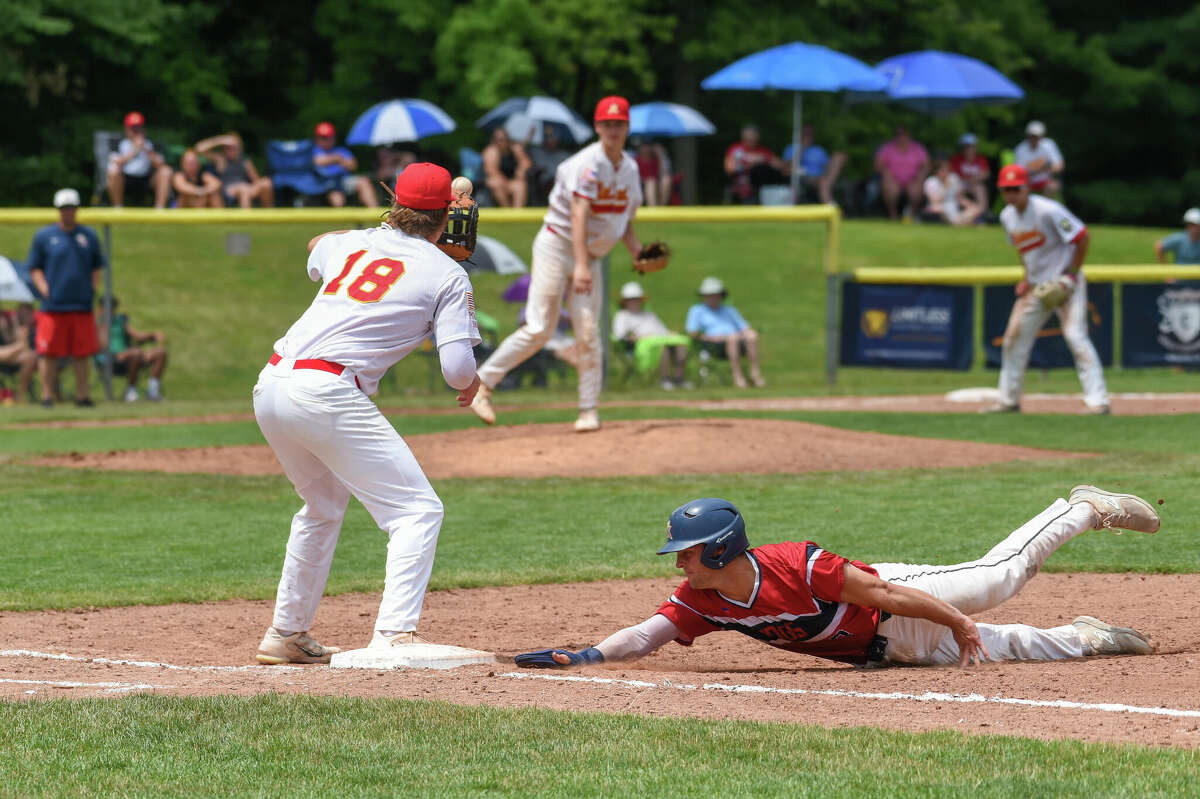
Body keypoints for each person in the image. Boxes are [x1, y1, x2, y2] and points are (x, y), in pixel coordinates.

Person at [514, 486, 1159, 671]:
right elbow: (646, 636)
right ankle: (1088, 638)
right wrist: (588, 655)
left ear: (717, 550)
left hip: (901, 597)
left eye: (685, 552)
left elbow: (880, 594)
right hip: (882, 649)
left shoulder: (797, 563)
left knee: (997, 580)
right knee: (1007, 647)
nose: (676, 562)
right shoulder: (702, 599)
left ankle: (1080, 508)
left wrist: (958, 618)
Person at [253, 163, 482, 665]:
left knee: (322, 506)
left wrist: (363, 235)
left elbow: (316, 244)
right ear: (448, 214)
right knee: (417, 511)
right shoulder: (448, 272)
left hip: (272, 382)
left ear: (393, 202)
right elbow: (457, 370)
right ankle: (395, 634)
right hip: (326, 390)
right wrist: (475, 382)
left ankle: (286, 633)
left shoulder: (353, 242)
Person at [471, 96, 645, 433]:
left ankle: (588, 410)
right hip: (558, 246)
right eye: (607, 123)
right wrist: (580, 265)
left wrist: (636, 251)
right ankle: (482, 385)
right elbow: (579, 213)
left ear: (626, 127)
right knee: (539, 328)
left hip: (588, 255)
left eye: (618, 123)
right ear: (597, 127)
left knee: (589, 331)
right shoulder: (586, 164)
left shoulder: (630, 169)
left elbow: (622, 217)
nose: (612, 129)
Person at [987, 164, 1109, 414]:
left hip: (1065, 282)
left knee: (1076, 337)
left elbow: (1082, 237)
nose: (1011, 195)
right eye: (1006, 190)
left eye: (1015, 189)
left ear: (1026, 188)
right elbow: (1024, 250)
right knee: (1013, 340)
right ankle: (1009, 400)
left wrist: (1072, 275)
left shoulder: (1048, 210)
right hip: (1036, 287)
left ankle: (1098, 402)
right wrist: (1025, 277)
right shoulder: (1007, 217)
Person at [27, 188, 104, 408]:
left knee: (82, 353)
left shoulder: (88, 236)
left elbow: (97, 267)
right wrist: (44, 288)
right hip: (54, 305)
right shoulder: (45, 236)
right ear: (58, 210)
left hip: (81, 304)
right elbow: (34, 267)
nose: (67, 212)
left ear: (77, 209)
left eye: (71, 208)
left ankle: (83, 396)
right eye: (63, 208)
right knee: (48, 353)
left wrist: (92, 289)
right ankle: (47, 396)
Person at [685, 277, 764, 389]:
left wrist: (745, 333)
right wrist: (709, 338)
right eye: (709, 295)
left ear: (721, 295)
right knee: (732, 338)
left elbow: (744, 327)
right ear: (704, 296)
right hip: (713, 345)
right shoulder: (697, 310)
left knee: (752, 335)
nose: (713, 298)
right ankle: (737, 376)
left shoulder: (729, 310)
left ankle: (755, 374)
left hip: (737, 341)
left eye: (715, 294)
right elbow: (692, 332)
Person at [613, 281, 691, 389]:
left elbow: (662, 331)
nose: (635, 302)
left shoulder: (649, 315)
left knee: (680, 345)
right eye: (631, 299)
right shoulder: (622, 316)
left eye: (637, 299)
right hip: (640, 345)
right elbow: (620, 336)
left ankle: (679, 378)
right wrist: (638, 337)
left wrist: (670, 333)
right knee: (663, 348)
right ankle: (665, 379)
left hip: (658, 339)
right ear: (625, 301)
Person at [97, 295, 168, 402]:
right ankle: (130, 391)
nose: (110, 310)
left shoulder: (120, 321)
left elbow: (136, 335)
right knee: (136, 353)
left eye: (112, 308)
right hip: (107, 359)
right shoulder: (96, 323)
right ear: (100, 309)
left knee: (160, 353)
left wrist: (152, 335)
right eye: (106, 307)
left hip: (130, 356)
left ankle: (153, 392)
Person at [106, 111, 172, 209]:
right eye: (133, 128)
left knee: (166, 171)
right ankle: (117, 208)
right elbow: (116, 163)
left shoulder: (151, 143)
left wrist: (146, 149)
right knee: (113, 172)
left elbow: (160, 164)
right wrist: (135, 150)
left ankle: (160, 209)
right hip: (125, 179)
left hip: (146, 179)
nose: (136, 131)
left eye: (138, 128)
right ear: (126, 129)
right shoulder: (118, 142)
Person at [194, 132, 275, 208]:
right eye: (228, 147)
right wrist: (221, 140)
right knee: (243, 189)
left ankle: (270, 216)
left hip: (246, 188)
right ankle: (247, 220)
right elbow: (198, 148)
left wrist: (255, 187)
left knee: (266, 183)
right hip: (227, 191)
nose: (232, 149)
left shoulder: (245, 162)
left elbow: (256, 181)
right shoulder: (220, 159)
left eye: (234, 147)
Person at [312, 121, 377, 208]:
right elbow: (317, 161)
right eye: (323, 138)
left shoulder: (341, 150)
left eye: (329, 137)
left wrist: (334, 160)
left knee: (364, 181)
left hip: (343, 180)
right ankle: (341, 221)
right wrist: (337, 159)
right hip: (324, 183)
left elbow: (353, 166)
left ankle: (375, 215)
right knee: (337, 197)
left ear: (334, 137)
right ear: (317, 138)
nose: (327, 140)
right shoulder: (313, 150)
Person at [781, 124, 847, 206]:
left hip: (821, 176)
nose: (808, 135)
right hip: (803, 177)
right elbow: (786, 168)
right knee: (823, 183)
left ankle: (827, 185)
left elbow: (828, 168)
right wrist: (802, 148)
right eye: (806, 133)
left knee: (839, 156)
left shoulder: (819, 150)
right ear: (801, 134)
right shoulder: (791, 148)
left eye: (810, 133)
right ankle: (832, 208)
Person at [874, 125, 930, 220]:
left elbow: (926, 165)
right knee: (891, 190)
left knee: (916, 191)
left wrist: (921, 175)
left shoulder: (918, 148)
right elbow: (877, 165)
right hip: (893, 179)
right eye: (899, 135)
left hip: (913, 179)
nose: (901, 137)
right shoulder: (887, 148)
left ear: (909, 136)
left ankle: (911, 216)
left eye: (904, 135)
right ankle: (893, 216)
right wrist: (886, 173)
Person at [724, 124, 788, 204]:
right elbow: (729, 169)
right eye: (748, 138)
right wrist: (750, 164)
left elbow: (780, 165)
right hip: (741, 181)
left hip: (763, 184)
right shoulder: (735, 149)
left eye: (753, 138)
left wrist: (765, 160)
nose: (751, 141)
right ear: (743, 137)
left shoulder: (763, 151)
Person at [922, 158, 983, 226]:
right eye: (943, 170)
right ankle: (964, 223)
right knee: (941, 210)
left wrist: (971, 205)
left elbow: (959, 198)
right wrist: (946, 187)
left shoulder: (953, 178)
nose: (946, 172)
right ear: (937, 171)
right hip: (939, 208)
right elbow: (935, 201)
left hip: (954, 209)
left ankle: (961, 222)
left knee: (976, 209)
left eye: (947, 169)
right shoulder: (931, 182)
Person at [481, 127, 531, 208]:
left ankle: (517, 214)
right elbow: (490, 170)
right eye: (499, 140)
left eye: (504, 139)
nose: (502, 142)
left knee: (521, 185)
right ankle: (507, 211)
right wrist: (503, 181)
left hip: (512, 181)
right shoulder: (490, 152)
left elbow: (526, 162)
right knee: (495, 183)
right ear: (494, 141)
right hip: (497, 181)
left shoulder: (515, 149)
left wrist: (521, 170)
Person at [1013, 121, 1064, 198]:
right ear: (1027, 136)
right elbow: (1020, 173)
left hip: (1046, 181)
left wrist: (1035, 170)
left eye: (1037, 136)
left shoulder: (1049, 145)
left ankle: (1047, 209)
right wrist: (1044, 168)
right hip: (1027, 183)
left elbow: (1059, 166)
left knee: (1053, 186)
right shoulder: (1020, 149)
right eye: (1031, 136)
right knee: (1019, 188)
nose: (1034, 139)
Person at [0, 302, 36, 403]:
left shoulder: (8, 319)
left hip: (10, 354)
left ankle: (20, 395)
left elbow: (10, 340)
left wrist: (10, 328)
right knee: (23, 348)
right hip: (4, 353)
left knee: (31, 357)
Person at [949, 133, 990, 210]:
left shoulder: (981, 159)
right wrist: (970, 180)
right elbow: (954, 175)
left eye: (971, 146)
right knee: (957, 190)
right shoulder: (956, 159)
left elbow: (985, 174)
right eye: (966, 147)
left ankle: (982, 213)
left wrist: (972, 180)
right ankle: (970, 210)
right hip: (960, 184)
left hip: (975, 184)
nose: (968, 149)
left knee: (980, 189)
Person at [634, 140, 673, 207]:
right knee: (650, 183)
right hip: (642, 185)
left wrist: (660, 155)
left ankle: (662, 208)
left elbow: (663, 173)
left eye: (649, 146)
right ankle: (653, 209)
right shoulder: (635, 160)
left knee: (666, 180)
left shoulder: (657, 159)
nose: (646, 149)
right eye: (644, 146)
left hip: (657, 184)